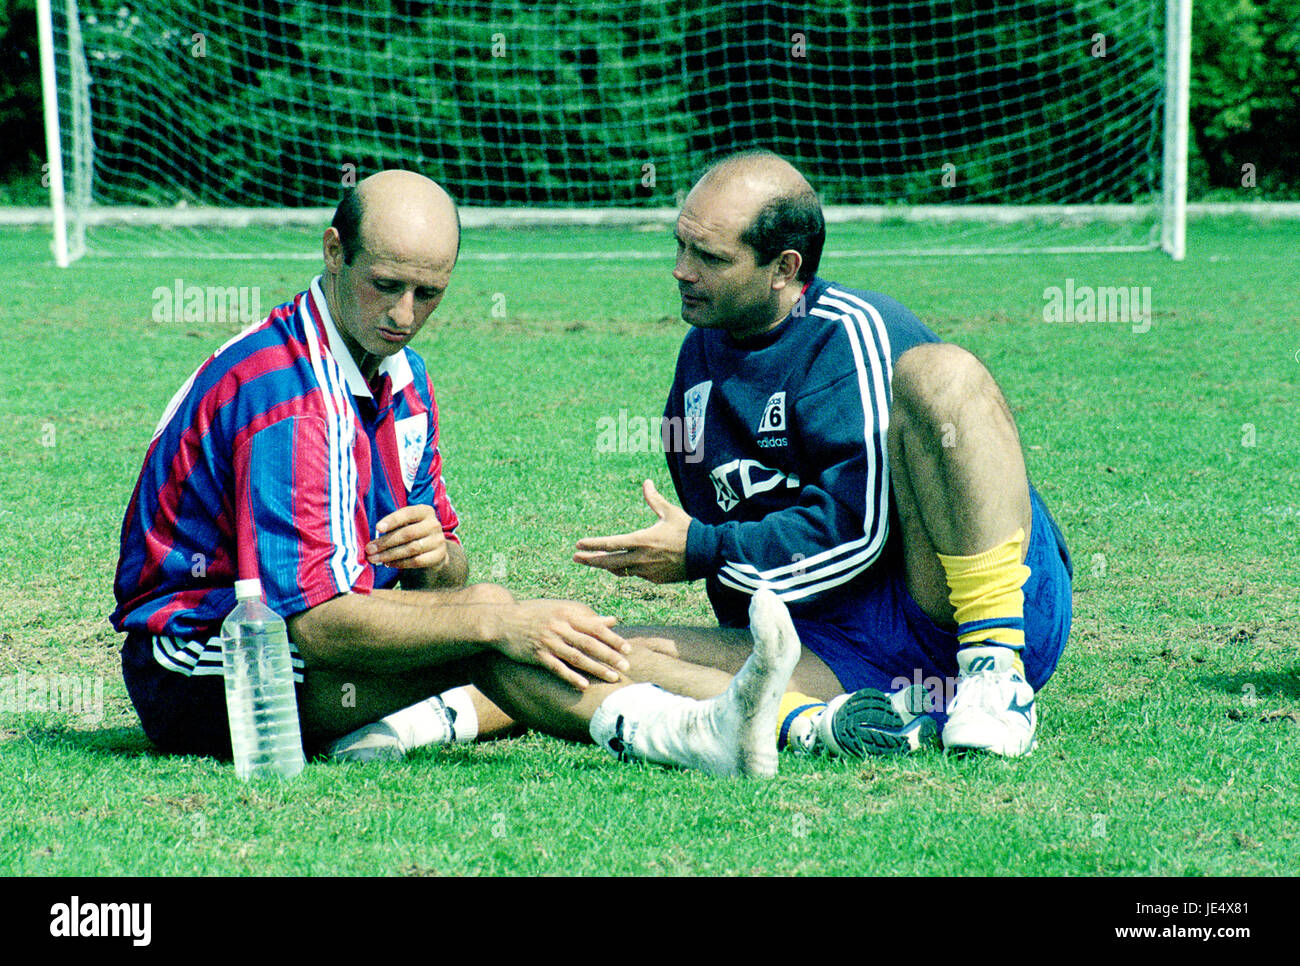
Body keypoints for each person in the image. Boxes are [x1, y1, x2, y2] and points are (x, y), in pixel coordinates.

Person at [111, 168, 803, 779]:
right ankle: (696, 731)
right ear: (332, 251)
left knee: (499, 614)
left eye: (428, 292)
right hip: (203, 668)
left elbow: (448, 579)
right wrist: (489, 625)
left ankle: (782, 718)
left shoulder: (402, 377)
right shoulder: (284, 396)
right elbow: (315, 624)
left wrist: (436, 557)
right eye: (385, 285)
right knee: (491, 632)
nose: (405, 315)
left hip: (303, 641)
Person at [569, 149, 1074, 759]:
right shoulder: (696, 362)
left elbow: (858, 533)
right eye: (680, 245)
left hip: (950, 602)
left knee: (942, 372)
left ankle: (994, 675)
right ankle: (828, 724)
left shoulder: (851, 331)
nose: (682, 270)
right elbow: (741, 549)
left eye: (709, 257)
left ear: (783, 268)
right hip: (838, 639)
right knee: (597, 651)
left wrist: (701, 549)